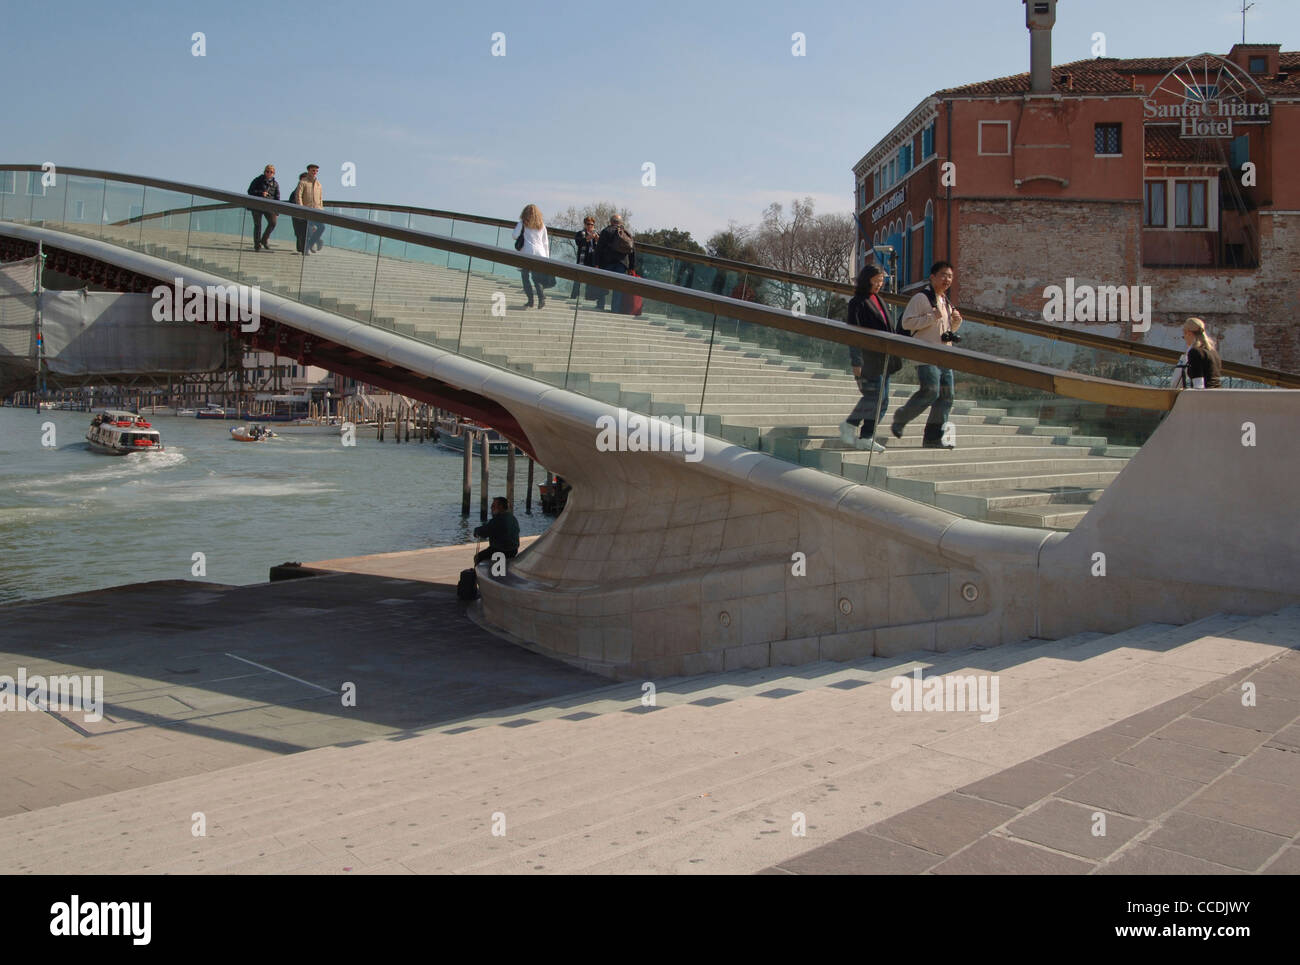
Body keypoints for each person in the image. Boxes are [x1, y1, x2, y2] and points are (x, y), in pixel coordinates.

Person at [891, 261, 963, 449]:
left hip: (944, 354)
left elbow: (944, 330)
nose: (947, 279)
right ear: (932, 277)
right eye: (943, 275)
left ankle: (932, 438)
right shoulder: (921, 298)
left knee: (947, 396)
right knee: (931, 390)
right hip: (925, 354)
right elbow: (907, 323)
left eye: (950, 276)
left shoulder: (945, 301)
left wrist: (956, 323)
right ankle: (901, 417)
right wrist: (932, 317)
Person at [840, 264, 896, 452]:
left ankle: (866, 435)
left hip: (884, 358)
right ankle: (852, 425)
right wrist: (856, 362)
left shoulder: (879, 299)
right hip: (868, 358)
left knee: (883, 399)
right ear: (867, 279)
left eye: (882, 281)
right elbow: (853, 334)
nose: (880, 284)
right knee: (874, 396)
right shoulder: (858, 302)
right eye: (876, 280)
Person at [512, 204, 551, 308]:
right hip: (540, 254)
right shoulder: (541, 225)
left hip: (527, 253)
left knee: (525, 277)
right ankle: (541, 298)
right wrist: (547, 258)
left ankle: (530, 300)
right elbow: (545, 243)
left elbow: (514, 236)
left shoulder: (522, 223)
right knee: (536, 278)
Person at [594, 214, 635, 312]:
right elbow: (632, 251)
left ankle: (601, 305)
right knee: (618, 287)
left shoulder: (606, 231)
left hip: (607, 263)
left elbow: (599, 248)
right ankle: (615, 309)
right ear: (620, 223)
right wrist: (631, 267)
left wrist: (596, 263)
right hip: (622, 264)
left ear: (611, 222)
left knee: (603, 284)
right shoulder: (626, 233)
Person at [473, 497, 520, 567]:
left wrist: (476, 531)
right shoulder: (512, 518)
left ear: (500, 506)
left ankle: (479, 576)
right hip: (513, 550)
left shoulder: (498, 520)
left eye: (493, 506)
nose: (491, 508)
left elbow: (484, 532)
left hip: (501, 551)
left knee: (478, 557)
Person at [1180, 316, 1222, 388]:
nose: (1184, 338)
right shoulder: (1212, 351)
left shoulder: (1195, 352)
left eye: (1184, 335)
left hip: (1206, 395)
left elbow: (1198, 383)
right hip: (1217, 392)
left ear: (1188, 333)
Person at [246, 164, 279, 252]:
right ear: (264, 172)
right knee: (258, 225)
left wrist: (277, 211)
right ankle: (257, 244)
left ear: (274, 173)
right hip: (257, 205)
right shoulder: (257, 180)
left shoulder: (275, 184)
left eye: (271, 172)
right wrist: (261, 193)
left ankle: (264, 240)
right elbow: (250, 191)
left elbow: (277, 198)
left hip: (269, 206)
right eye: (267, 171)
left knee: (273, 222)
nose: (269, 173)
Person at [293, 164, 325, 255]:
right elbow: (298, 196)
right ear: (308, 171)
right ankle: (305, 250)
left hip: (316, 211)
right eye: (313, 170)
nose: (314, 172)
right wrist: (301, 208)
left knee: (322, 227)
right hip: (306, 211)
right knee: (307, 231)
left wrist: (321, 210)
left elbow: (320, 199)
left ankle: (311, 244)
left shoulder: (319, 184)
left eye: (316, 171)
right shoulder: (303, 182)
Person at [571, 216, 599, 300]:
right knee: (578, 279)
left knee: (590, 280)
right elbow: (578, 242)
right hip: (583, 260)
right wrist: (588, 238)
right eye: (588, 224)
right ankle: (574, 296)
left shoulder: (596, 234)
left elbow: (601, 246)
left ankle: (589, 297)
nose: (590, 226)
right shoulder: (580, 233)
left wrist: (598, 239)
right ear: (585, 224)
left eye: (592, 224)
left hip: (592, 260)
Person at [288, 171, 308, 253]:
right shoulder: (295, 191)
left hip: (306, 215)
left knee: (304, 232)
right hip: (296, 215)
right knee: (298, 232)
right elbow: (291, 201)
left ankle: (303, 249)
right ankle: (300, 249)